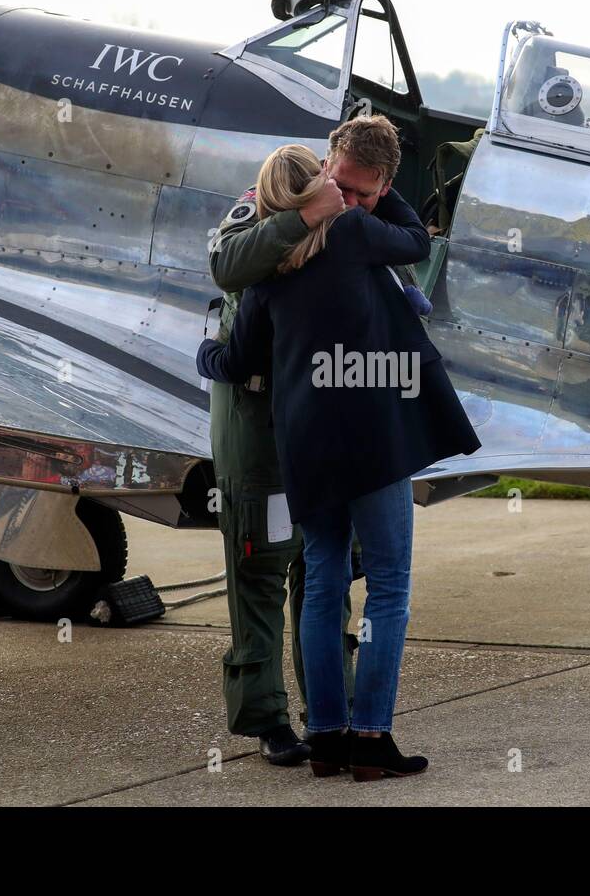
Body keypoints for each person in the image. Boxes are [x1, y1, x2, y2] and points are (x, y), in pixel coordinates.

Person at [197, 128, 481, 781]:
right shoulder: (353, 233)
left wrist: (204, 354)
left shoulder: (275, 262)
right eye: (341, 185)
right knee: (387, 586)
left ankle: (325, 735)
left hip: (303, 438)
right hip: (372, 438)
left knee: (324, 579)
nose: (347, 198)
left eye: (360, 189)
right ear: (321, 174)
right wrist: (370, 202)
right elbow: (417, 238)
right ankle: (371, 737)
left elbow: (235, 354)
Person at [205, 142, 354, 765]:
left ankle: (326, 714)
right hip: (259, 440)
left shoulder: (337, 241)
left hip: (306, 437)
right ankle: (273, 717)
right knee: (265, 572)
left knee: (320, 577)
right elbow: (227, 264)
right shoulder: (255, 240)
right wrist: (306, 217)